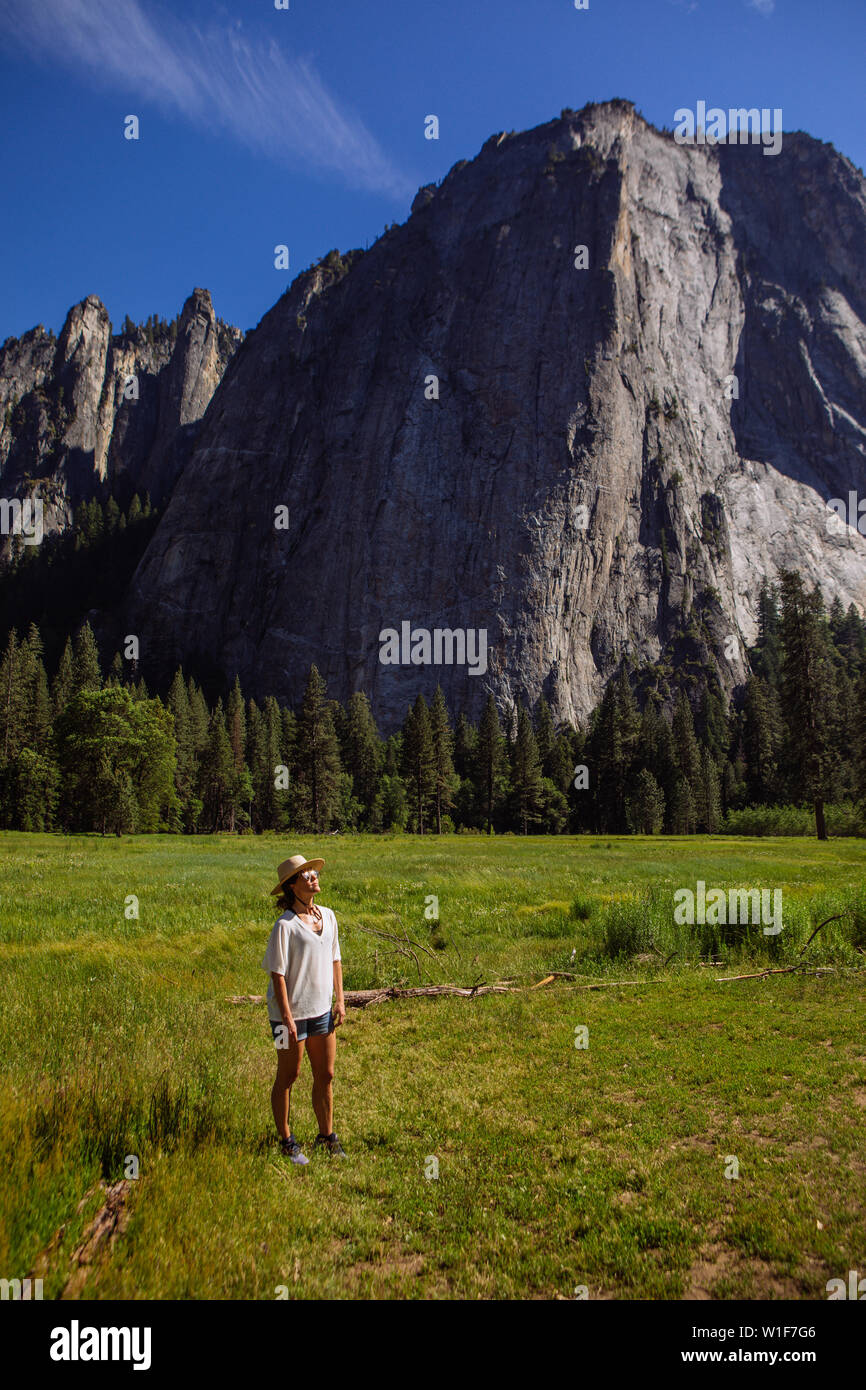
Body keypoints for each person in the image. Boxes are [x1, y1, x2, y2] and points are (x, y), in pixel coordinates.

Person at [262, 854, 347, 1163]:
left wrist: (339, 999)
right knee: (289, 1074)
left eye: (314, 873)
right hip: (288, 1017)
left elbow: (336, 960)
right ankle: (286, 1140)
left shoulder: (329, 916)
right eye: (305, 875)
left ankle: (327, 1136)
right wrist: (287, 1018)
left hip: (321, 1011)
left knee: (325, 1073)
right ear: (292, 886)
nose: (313, 877)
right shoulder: (284, 926)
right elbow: (278, 974)